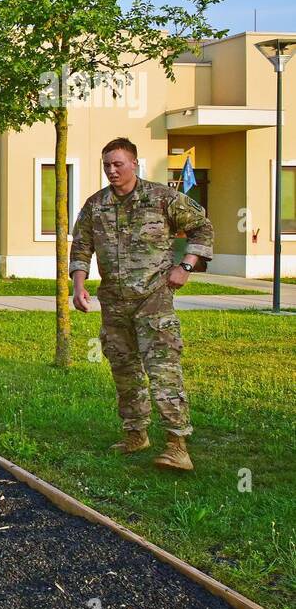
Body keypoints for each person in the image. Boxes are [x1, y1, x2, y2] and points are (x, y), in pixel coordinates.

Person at [69, 137, 214, 471]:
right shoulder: (96, 205)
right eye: (107, 165)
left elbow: (202, 227)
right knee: (124, 370)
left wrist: (186, 266)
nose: (112, 170)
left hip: (154, 298)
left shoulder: (161, 198)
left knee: (163, 369)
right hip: (114, 302)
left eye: (118, 164)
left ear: (134, 163)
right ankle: (136, 434)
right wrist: (78, 285)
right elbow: (81, 246)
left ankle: (177, 444)